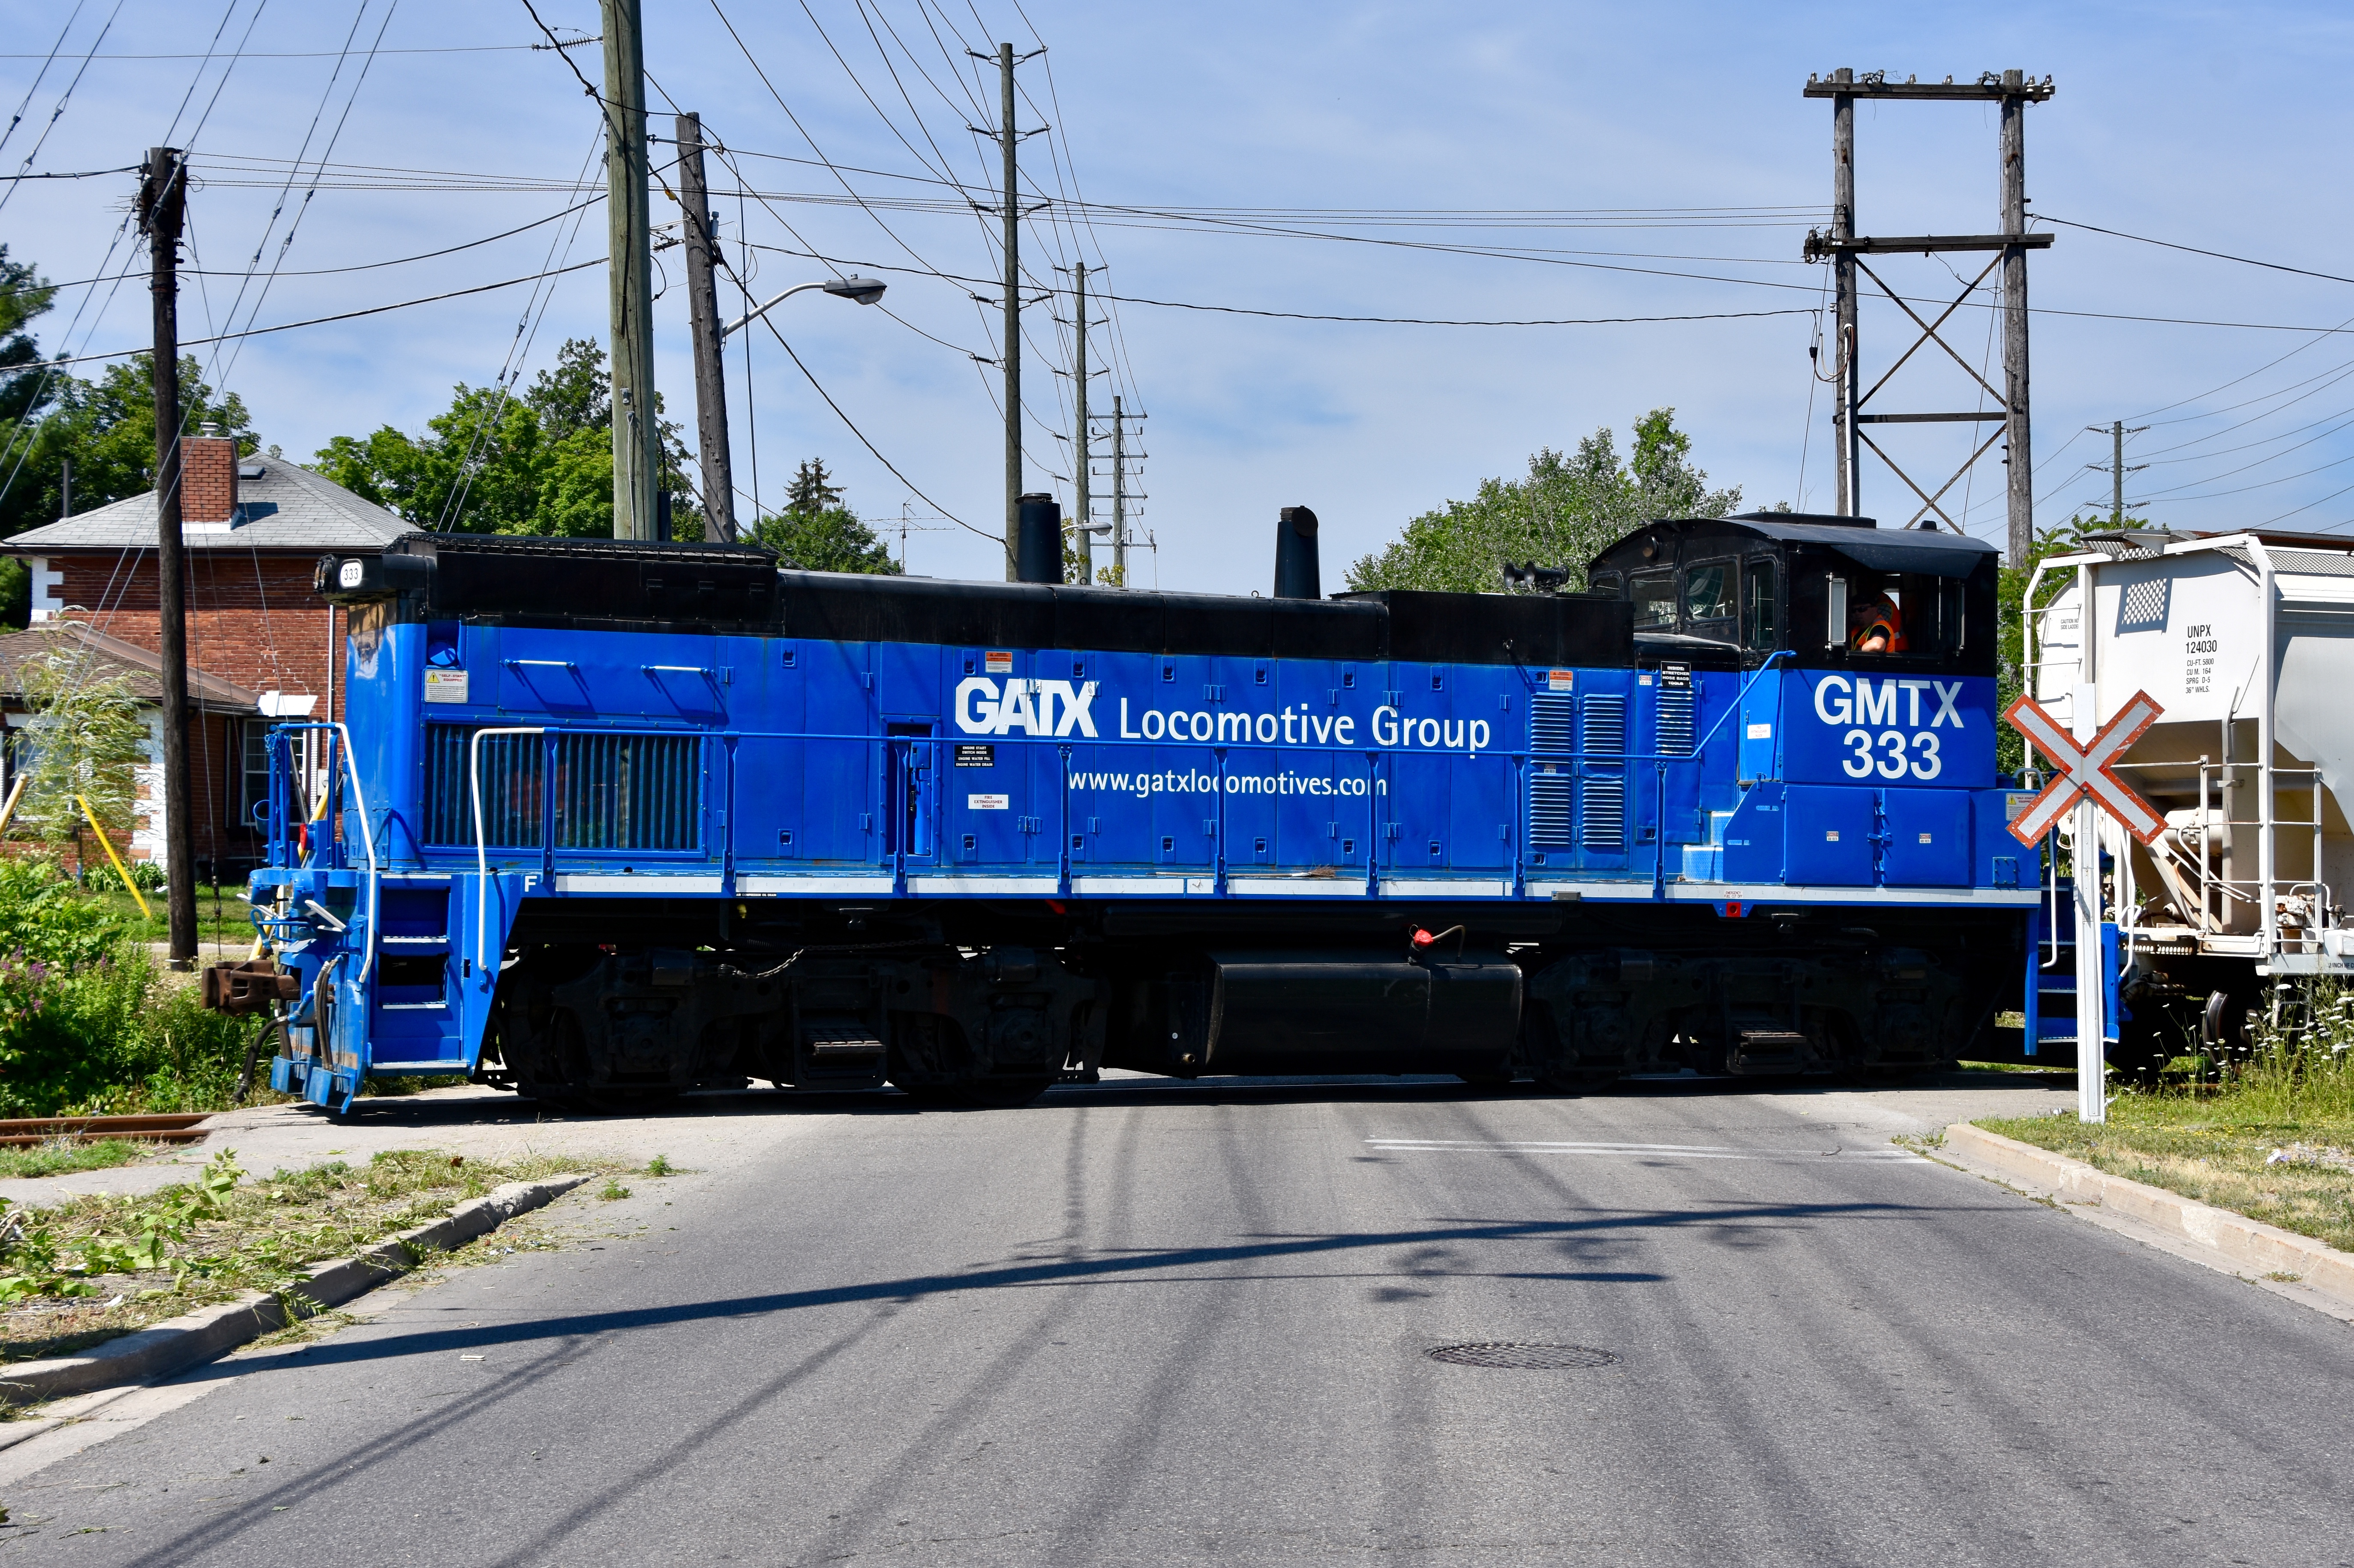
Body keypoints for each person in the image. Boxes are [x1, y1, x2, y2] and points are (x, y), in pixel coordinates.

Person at [1849, 584, 1907, 654]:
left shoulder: (1880, 627)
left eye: (1862, 609)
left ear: (1875, 610)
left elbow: (1878, 645)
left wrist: (1856, 653)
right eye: (1854, 610)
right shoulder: (1857, 629)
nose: (1857, 613)